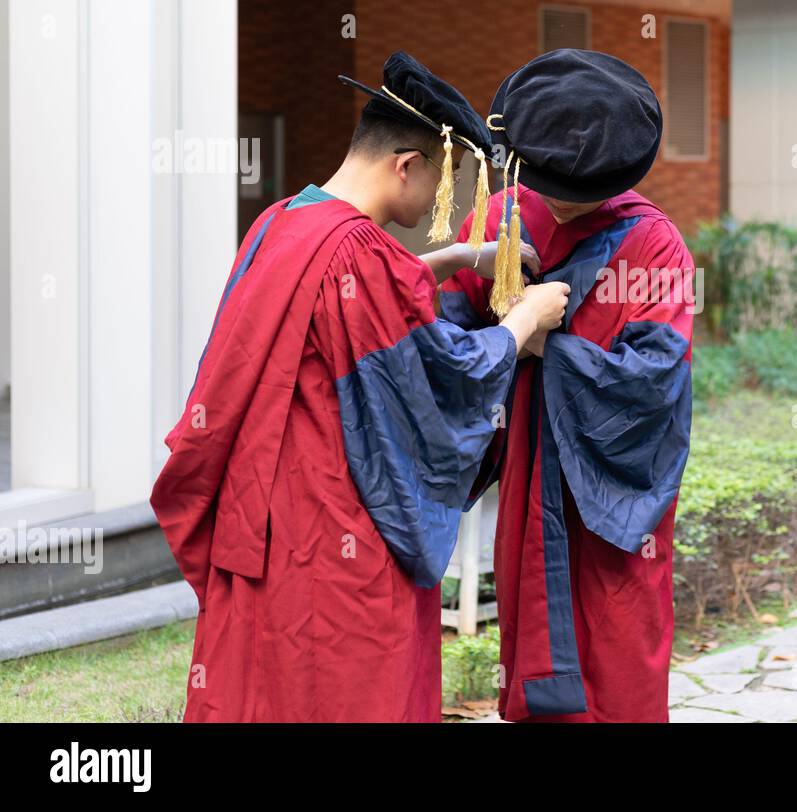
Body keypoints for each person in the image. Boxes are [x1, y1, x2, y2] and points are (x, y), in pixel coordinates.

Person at [150, 51, 569, 722]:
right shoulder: (359, 253)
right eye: (445, 179)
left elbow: (354, 300)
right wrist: (527, 319)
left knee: (264, 689)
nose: (446, 199)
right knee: (341, 691)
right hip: (336, 528)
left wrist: (460, 257)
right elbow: (447, 368)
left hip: (262, 517)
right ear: (408, 165)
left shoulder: (284, 220)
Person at [440, 49, 694, 722]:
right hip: (528, 480)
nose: (561, 194)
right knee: (531, 653)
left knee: (618, 657)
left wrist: (541, 338)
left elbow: (655, 386)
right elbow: (449, 350)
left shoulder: (655, 246)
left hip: (611, 505)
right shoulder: (497, 222)